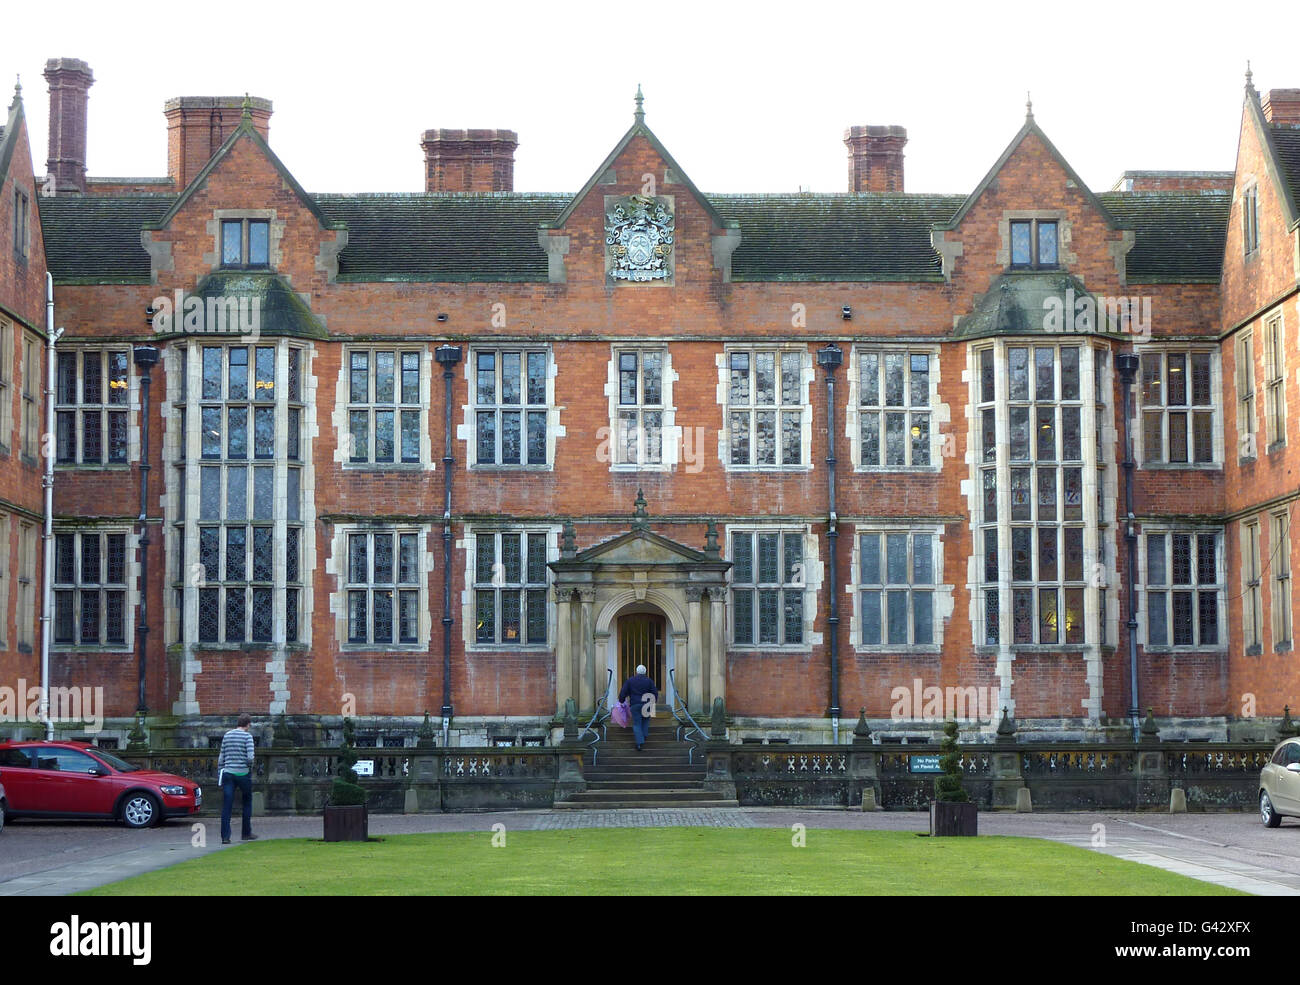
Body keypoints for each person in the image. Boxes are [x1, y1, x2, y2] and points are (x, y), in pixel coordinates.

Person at [218, 713, 258, 845]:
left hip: (228, 773)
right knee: (246, 803)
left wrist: (220, 773)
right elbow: (250, 757)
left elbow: (221, 757)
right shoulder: (247, 736)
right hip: (242, 774)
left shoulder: (227, 735)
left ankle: (225, 836)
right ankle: (246, 833)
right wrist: (249, 768)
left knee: (226, 806)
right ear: (248, 724)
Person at [618, 664, 659, 752]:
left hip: (635, 704)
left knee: (637, 723)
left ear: (636, 671)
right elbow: (655, 693)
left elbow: (623, 692)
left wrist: (621, 701)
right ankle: (644, 736)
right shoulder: (649, 681)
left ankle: (639, 743)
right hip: (647, 704)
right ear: (645, 672)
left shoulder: (630, 680)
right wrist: (654, 702)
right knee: (646, 720)